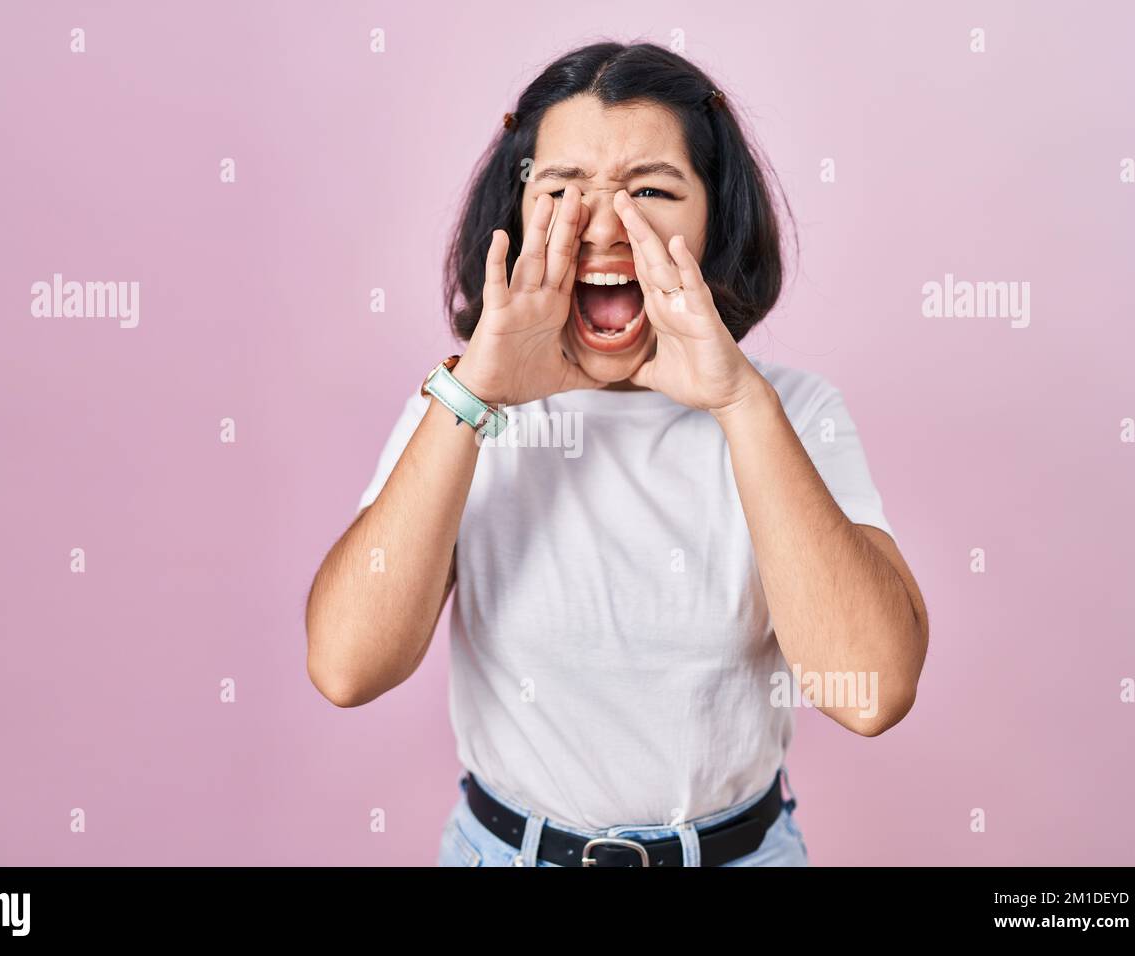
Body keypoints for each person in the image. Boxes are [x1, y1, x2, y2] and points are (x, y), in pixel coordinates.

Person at [305, 41, 929, 867]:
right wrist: (475, 395)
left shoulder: (795, 410)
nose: (602, 226)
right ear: (519, 212)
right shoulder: (460, 410)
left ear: (715, 217)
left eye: (650, 191)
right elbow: (347, 670)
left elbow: (874, 694)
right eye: (561, 190)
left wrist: (740, 403)